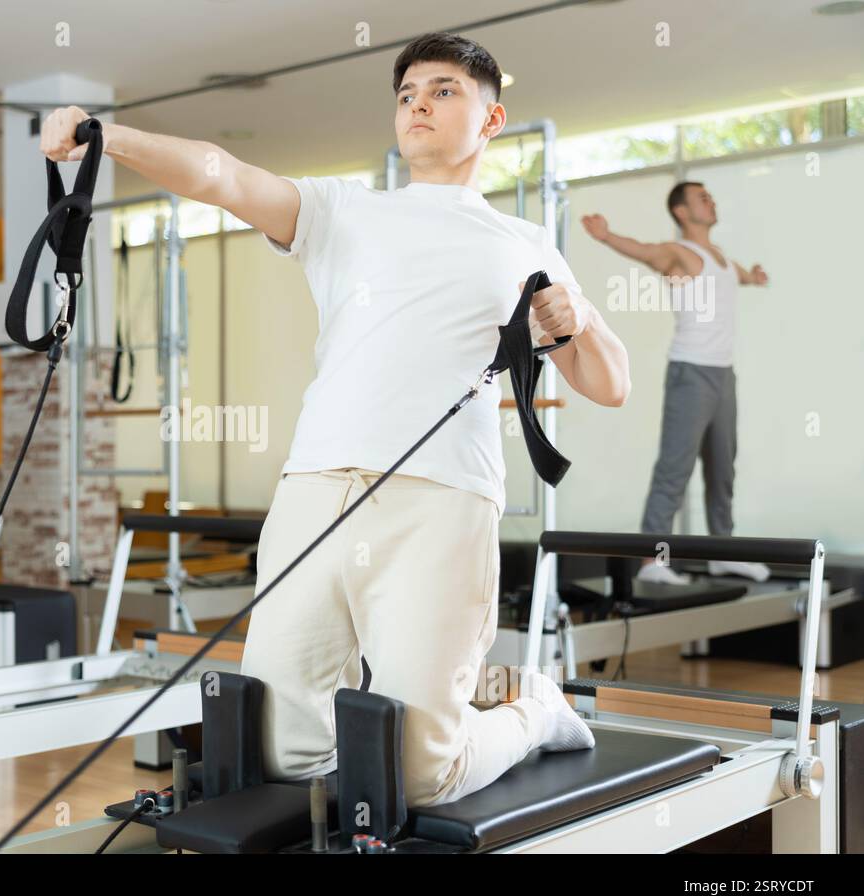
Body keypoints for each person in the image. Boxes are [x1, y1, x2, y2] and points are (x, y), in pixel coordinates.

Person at [41, 31, 631, 808]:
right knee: (286, 750)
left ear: (492, 119)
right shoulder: (340, 211)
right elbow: (222, 174)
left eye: (444, 90)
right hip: (315, 487)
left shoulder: (523, 244)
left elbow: (609, 384)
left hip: (441, 496)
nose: (419, 103)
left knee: (424, 772)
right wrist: (106, 137)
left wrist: (578, 318)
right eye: (407, 93)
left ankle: (534, 710)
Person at [582, 182, 770, 584]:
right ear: (682, 212)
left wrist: (753, 277)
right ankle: (653, 561)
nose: (712, 199)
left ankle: (723, 552)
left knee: (723, 469)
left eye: (711, 195)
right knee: (675, 467)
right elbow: (645, 251)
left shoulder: (719, 257)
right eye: (704, 196)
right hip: (690, 372)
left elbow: (737, 276)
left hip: (723, 374)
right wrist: (606, 236)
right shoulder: (678, 254)